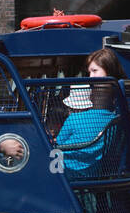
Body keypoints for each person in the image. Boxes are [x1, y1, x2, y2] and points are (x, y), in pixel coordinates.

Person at [54, 48, 126, 176]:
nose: (90, 77)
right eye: (89, 72)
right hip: (92, 174)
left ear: (108, 71)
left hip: (65, 173)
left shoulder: (74, 120)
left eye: (94, 71)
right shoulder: (115, 120)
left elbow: (56, 146)